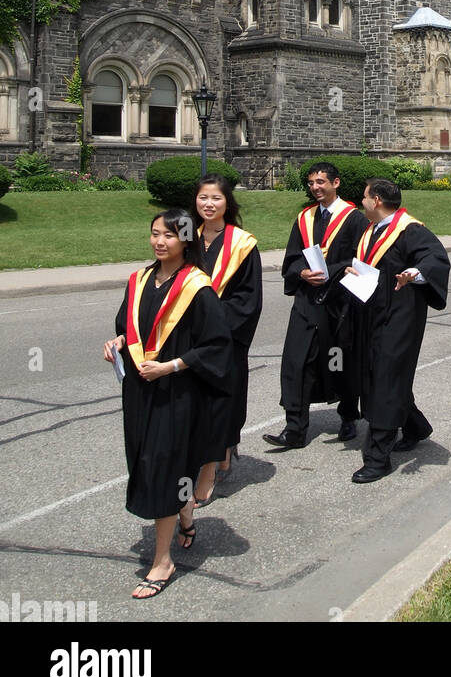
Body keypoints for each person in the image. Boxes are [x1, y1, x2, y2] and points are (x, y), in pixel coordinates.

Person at [103, 208, 232, 599]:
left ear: (186, 241)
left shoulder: (198, 288)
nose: (160, 242)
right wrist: (119, 342)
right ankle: (185, 513)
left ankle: (163, 561)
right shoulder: (139, 280)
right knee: (144, 461)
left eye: (169, 236)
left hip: (178, 393)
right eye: (155, 234)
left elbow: (217, 346)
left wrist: (172, 366)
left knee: (161, 467)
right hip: (141, 391)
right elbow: (127, 325)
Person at [344, 178, 450, 481]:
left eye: (364, 196)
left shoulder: (410, 230)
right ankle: (416, 426)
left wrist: (414, 273)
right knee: (380, 376)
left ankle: (378, 458)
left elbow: (436, 258)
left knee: (387, 379)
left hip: (399, 317)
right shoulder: (371, 231)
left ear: (376, 200)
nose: (360, 201)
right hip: (371, 314)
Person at [264, 162, 369, 450]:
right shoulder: (304, 219)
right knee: (297, 361)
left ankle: (348, 415)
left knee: (340, 361)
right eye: (311, 183)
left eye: (321, 182)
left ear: (336, 183)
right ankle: (295, 427)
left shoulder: (354, 219)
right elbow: (292, 257)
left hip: (340, 304)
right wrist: (302, 273)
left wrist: (332, 271)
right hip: (308, 301)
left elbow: (362, 261)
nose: (315, 188)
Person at [193, 175, 262, 506]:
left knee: (221, 401)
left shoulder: (243, 244)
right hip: (188, 339)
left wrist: (216, 323)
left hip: (225, 340)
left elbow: (248, 299)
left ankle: (214, 463)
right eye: (203, 198)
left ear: (227, 204)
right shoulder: (184, 236)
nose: (208, 204)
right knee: (194, 403)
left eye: (216, 199)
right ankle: (211, 453)